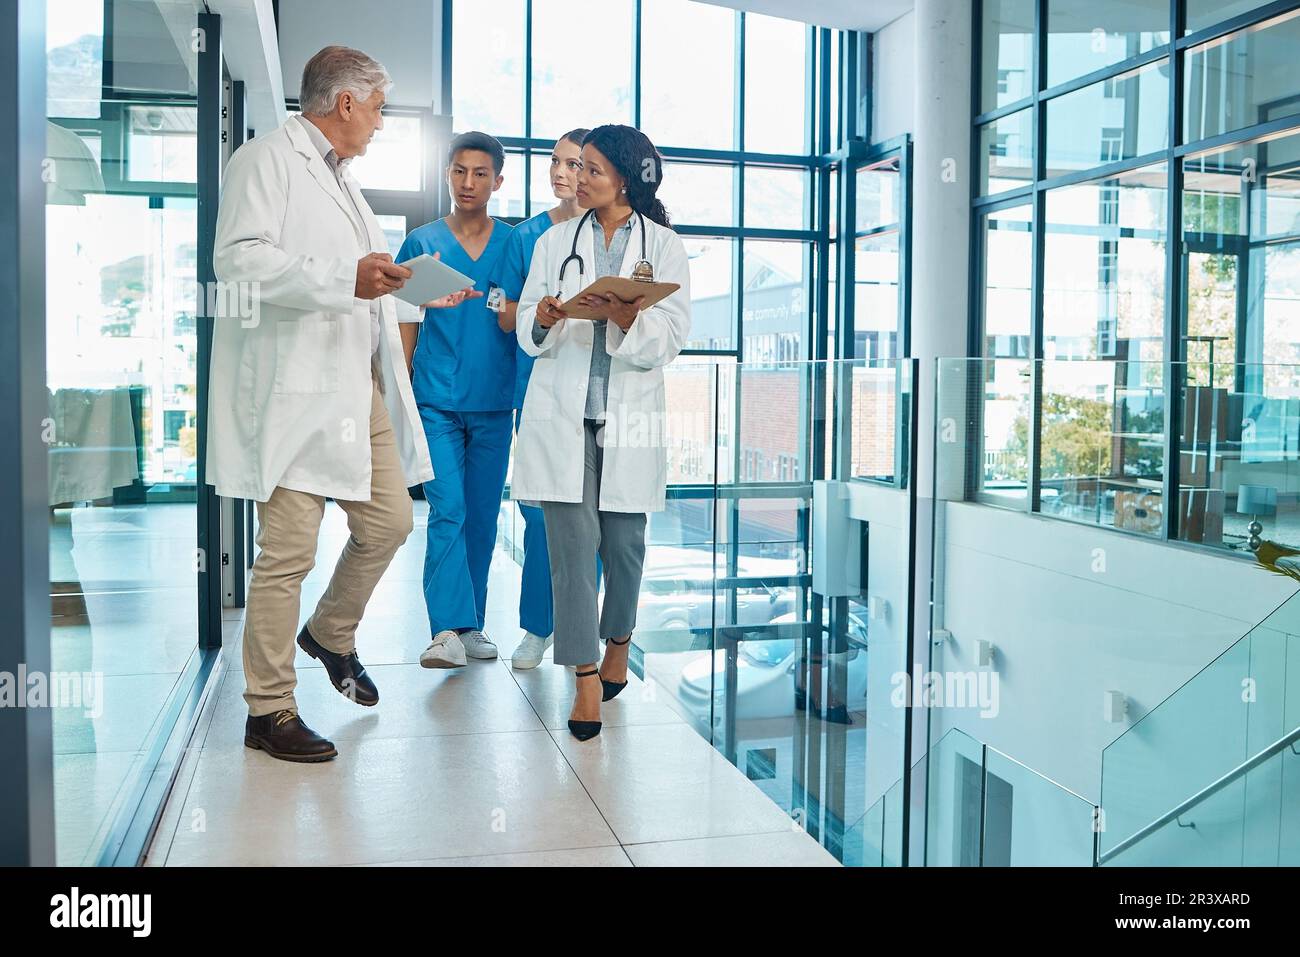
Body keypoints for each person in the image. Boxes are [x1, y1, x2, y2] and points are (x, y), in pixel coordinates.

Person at [208, 46, 474, 762]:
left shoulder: (342, 182)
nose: (382, 123)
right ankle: (268, 709)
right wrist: (343, 278)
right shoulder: (266, 160)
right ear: (347, 103)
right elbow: (236, 259)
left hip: (357, 388)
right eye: (380, 108)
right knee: (287, 552)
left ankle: (328, 631)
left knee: (389, 521)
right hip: (294, 390)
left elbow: (361, 280)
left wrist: (413, 286)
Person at [514, 125, 692, 740]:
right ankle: (585, 677)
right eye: (578, 167)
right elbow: (528, 334)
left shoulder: (664, 246)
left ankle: (620, 638)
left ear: (625, 177)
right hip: (562, 414)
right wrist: (539, 318)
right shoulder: (554, 242)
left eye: (592, 170)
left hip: (629, 415)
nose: (579, 179)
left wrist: (624, 318)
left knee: (623, 548)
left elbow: (669, 337)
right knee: (570, 552)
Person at [397, 133, 516, 669]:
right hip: (436, 400)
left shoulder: (514, 245)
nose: (469, 183)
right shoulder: (421, 242)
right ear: (446, 174)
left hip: (494, 399)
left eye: (480, 174)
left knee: (484, 517)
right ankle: (443, 629)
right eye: (459, 172)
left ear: (497, 180)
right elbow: (402, 319)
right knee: (450, 509)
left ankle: (471, 627)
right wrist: (397, 386)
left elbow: (520, 314)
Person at [491, 128, 589, 670]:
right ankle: (537, 627)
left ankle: (584, 633)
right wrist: (541, 311)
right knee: (539, 513)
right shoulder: (524, 237)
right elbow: (504, 311)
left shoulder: (611, 233)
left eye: (574, 163)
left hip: (595, 390)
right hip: (538, 386)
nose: (560, 171)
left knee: (593, 517)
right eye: (555, 160)